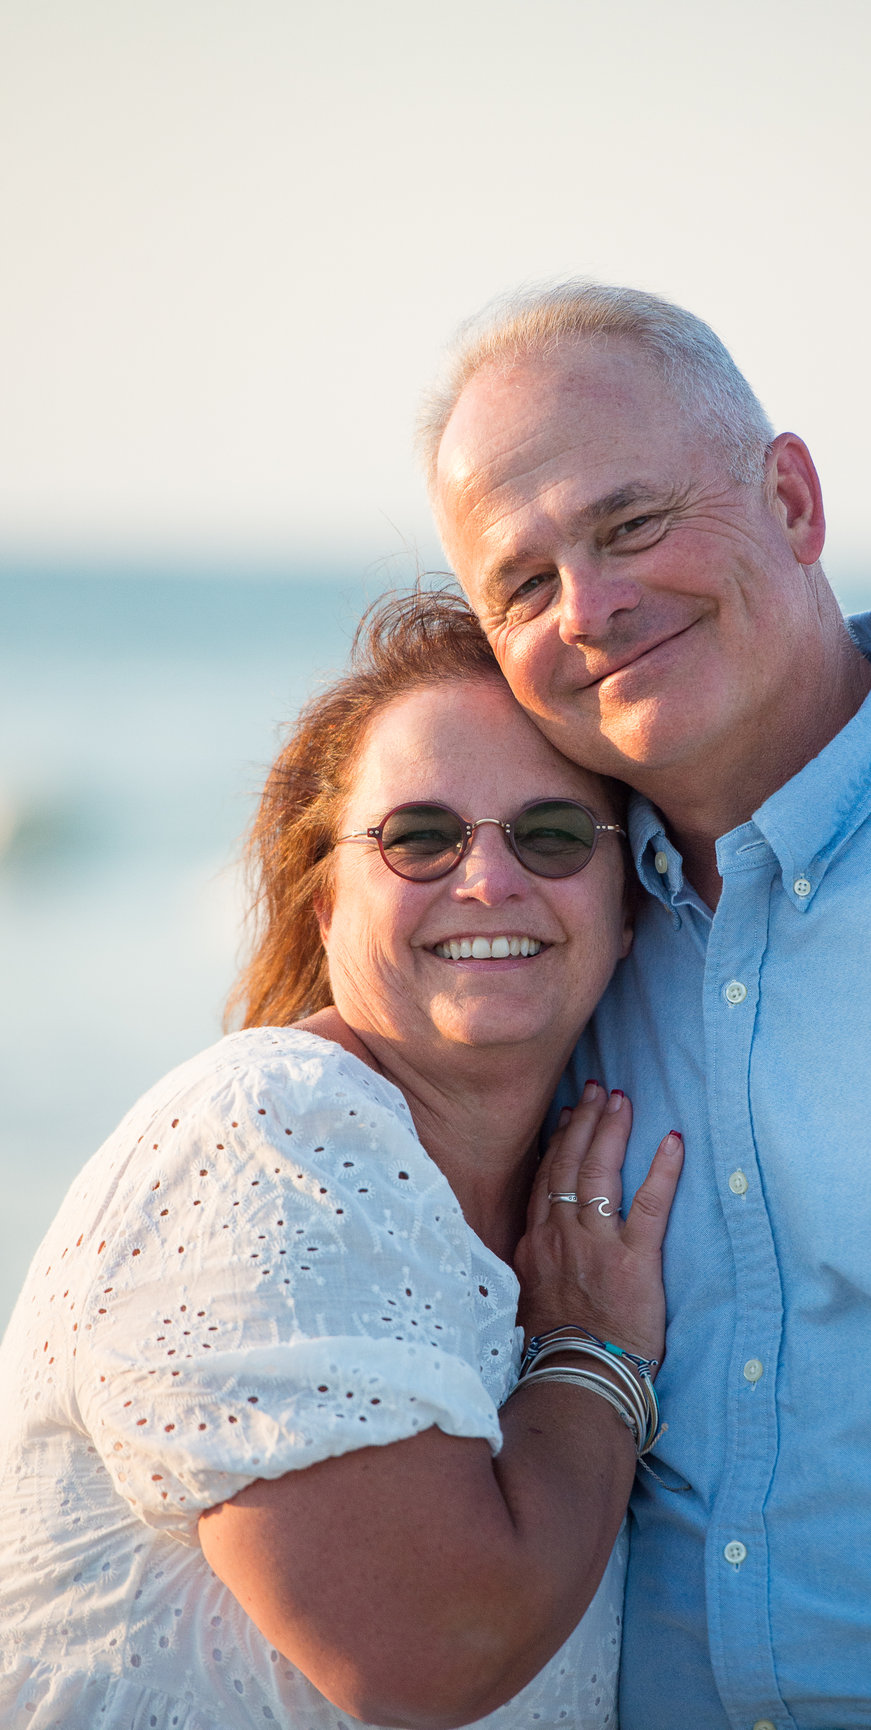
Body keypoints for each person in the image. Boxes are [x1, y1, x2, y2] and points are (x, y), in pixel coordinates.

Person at [417, 282, 871, 1730]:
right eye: (521, 583)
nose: (590, 608)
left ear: (792, 500)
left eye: (629, 525)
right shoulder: (534, 943)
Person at [0, 591, 684, 1730]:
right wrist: (594, 1355)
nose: (488, 878)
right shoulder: (263, 1136)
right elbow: (428, 1647)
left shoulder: (563, 1214)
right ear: (325, 904)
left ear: (625, 909)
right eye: (420, 835)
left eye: (553, 833)